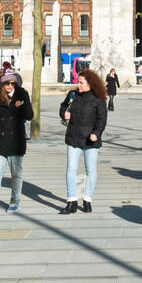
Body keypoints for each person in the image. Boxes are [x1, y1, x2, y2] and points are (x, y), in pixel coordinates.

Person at [0, 68, 33, 217]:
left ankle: (14, 200)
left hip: (16, 140)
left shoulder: (22, 94)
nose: (10, 86)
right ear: (2, 83)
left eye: (12, 82)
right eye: (7, 83)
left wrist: (22, 106)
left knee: (16, 174)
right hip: (0, 139)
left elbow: (30, 115)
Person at [60, 68, 108, 214]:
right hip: (73, 136)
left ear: (90, 83)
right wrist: (64, 114)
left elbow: (102, 119)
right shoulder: (73, 95)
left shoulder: (98, 98)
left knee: (91, 170)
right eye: (78, 82)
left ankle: (87, 198)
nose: (78, 85)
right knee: (71, 169)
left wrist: (96, 133)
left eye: (81, 83)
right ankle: (71, 200)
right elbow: (63, 106)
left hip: (90, 139)